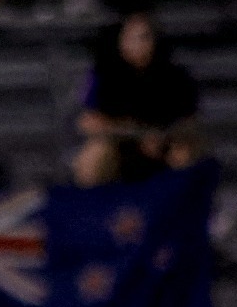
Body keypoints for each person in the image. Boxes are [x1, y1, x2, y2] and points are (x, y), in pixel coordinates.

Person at [72, 11, 202, 187]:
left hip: (165, 143)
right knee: (93, 154)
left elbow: (189, 120)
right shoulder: (105, 76)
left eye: (143, 38)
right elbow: (88, 122)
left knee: (184, 153)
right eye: (130, 38)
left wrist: (163, 137)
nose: (136, 45)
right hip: (121, 144)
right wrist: (135, 134)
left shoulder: (176, 77)